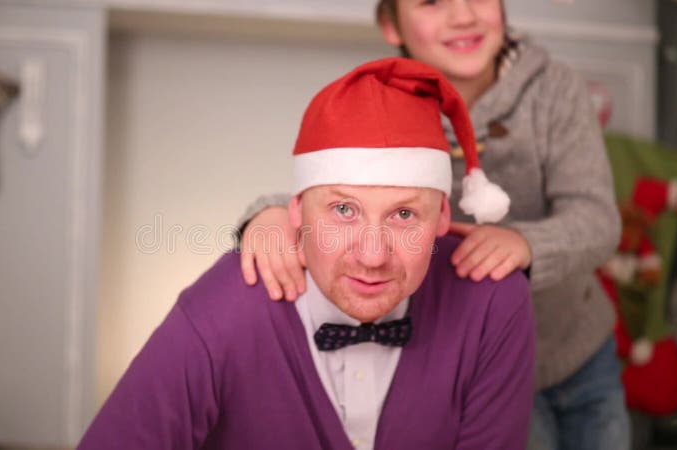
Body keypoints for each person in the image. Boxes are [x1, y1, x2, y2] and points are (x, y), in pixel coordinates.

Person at [79, 58, 535, 450]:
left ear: (441, 218)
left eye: (403, 215)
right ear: (295, 210)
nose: (373, 255)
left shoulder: (493, 303)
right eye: (343, 210)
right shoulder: (229, 306)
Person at [237, 1, 626, 449]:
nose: (462, 16)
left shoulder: (556, 89)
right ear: (390, 24)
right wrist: (267, 212)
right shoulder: (382, 104)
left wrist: (525, 243)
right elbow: (336, 196)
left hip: (580, 351)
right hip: (479, 368)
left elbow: (597, 219)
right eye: (431, 2)